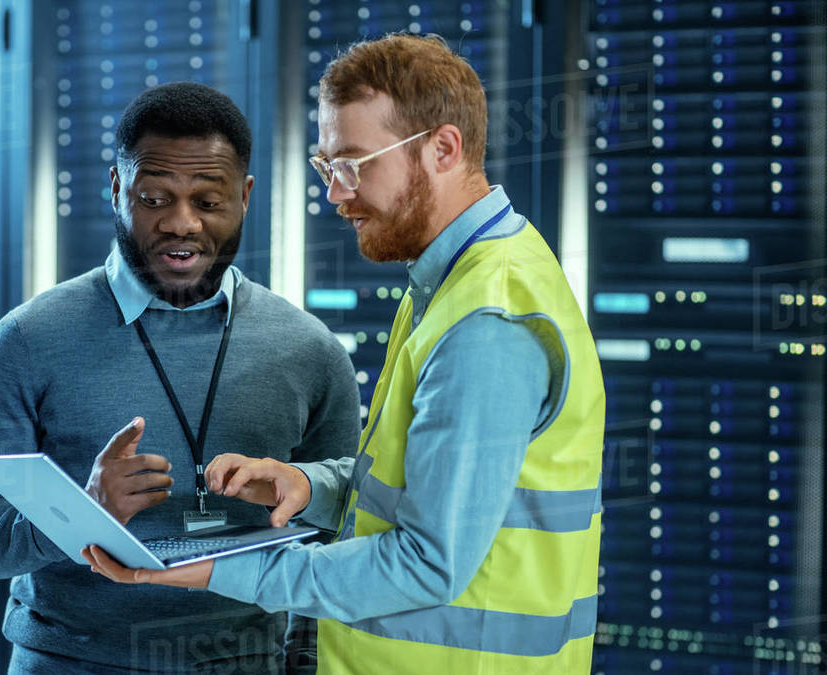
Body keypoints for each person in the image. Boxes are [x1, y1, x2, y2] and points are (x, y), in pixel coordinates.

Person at [83, 34, 606, 674]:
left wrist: (216, 568)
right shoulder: (461, 280)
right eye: (327, 166)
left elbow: (426, 564)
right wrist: (310, 486)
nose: (336, 193)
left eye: (355, 164)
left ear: (443, 149)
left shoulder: (486, 320)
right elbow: (423, 491)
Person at [0, 81, 361, 674]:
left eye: (207, 201)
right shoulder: (28, 339)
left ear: (245, 196)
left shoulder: (310, 350)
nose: (182, 223)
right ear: (117, 189)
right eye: (155, 198)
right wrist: (79, 515)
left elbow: (345, 538)